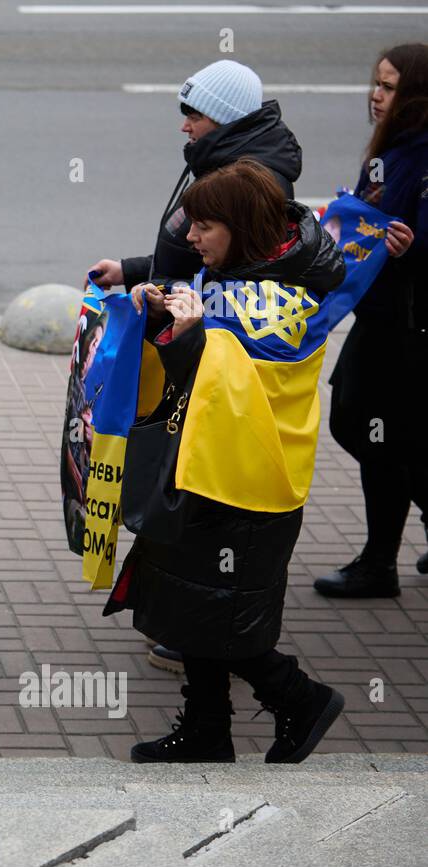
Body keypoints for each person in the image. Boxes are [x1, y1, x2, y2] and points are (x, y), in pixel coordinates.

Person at [112, 159, 387, 763]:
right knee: (197, 608)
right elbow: (220, 354)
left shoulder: (270, 302)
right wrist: (167, 315)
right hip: (219, 471)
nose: (190, 237)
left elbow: (235, 388)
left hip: (245, 481)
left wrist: (185, 337)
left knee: (220, 614)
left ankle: (300, 698)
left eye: (203, 225)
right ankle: (208, 730)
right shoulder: (256, 274)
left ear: (238, 226)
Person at [88, 59, 303, 674]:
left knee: (197, 505)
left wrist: (183, 318)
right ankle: (195, 637)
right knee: (185, 500)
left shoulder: (252, 174)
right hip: (188, 328)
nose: (184, 125)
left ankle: (209, 641)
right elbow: (193, 248)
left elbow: (226, 283)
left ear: (226, 118)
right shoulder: (224, 158)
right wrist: (135, 272)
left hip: (206, 357)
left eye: (195, 113)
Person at [316, 43, 428, 598]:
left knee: (375, 431)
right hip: (382, 315)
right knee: (373, 428)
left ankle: (378, 566)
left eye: (390, 87)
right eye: (376, 83)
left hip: (410, 325)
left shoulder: (423, 155)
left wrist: (413, 246)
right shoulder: (392, 148)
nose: (376, 95)